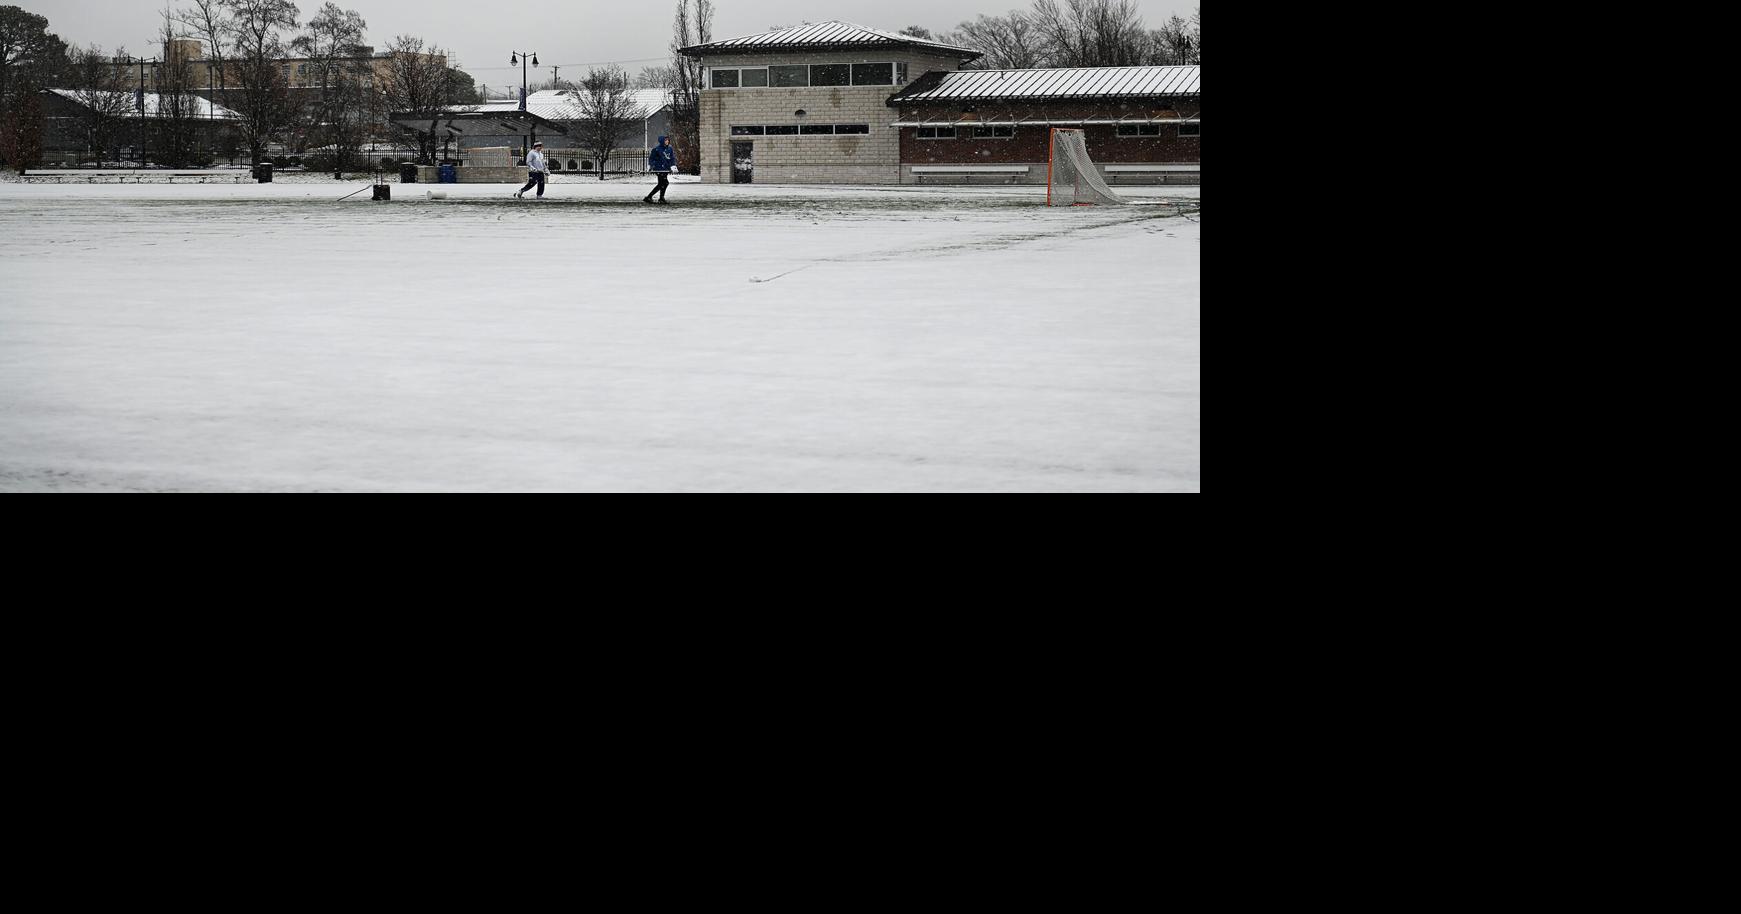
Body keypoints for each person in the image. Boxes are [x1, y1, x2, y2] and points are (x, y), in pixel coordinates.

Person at [645, 136, 677, 204]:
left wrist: (673, 165)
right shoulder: (656, 149)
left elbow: (672, 158)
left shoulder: (670, 149)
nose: (667, 141)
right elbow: (652, 159)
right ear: (662, 141)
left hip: (665, 169)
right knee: (664, 183)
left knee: (662, 183)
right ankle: (656, 197)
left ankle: (654, 197)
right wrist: (651, 165)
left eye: (668, 140)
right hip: (659, 169)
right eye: (666, 140)